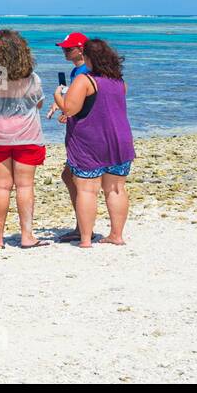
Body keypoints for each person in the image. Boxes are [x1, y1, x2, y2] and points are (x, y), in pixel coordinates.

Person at [51, 38, 135, 248]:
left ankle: (86, 239)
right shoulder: (119, 81)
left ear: (88, 57)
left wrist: (57, 95)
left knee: (87, 190)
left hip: (91, 142)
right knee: (116, 189)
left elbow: (70, 109)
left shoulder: (85, 80)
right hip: (120, 140)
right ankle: (116, 235)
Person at [0, 29, 46, 249]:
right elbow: (39, 103)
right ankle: (27, 236)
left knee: (1, 187)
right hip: (27, 136)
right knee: (25, 186)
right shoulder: (32, 78)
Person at [47, 31, 91, 241]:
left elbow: (87, 101)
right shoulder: (77, 71)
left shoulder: (86, 72)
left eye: (68, 48)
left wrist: (65, 107)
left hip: (83, 132)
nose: (64, 51)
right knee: (71, 177)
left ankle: (83, 228)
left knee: (77, 179)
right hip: (76, 130)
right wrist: (60, 104)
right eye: (63, 48)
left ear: (81, 49)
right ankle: (82, 226)